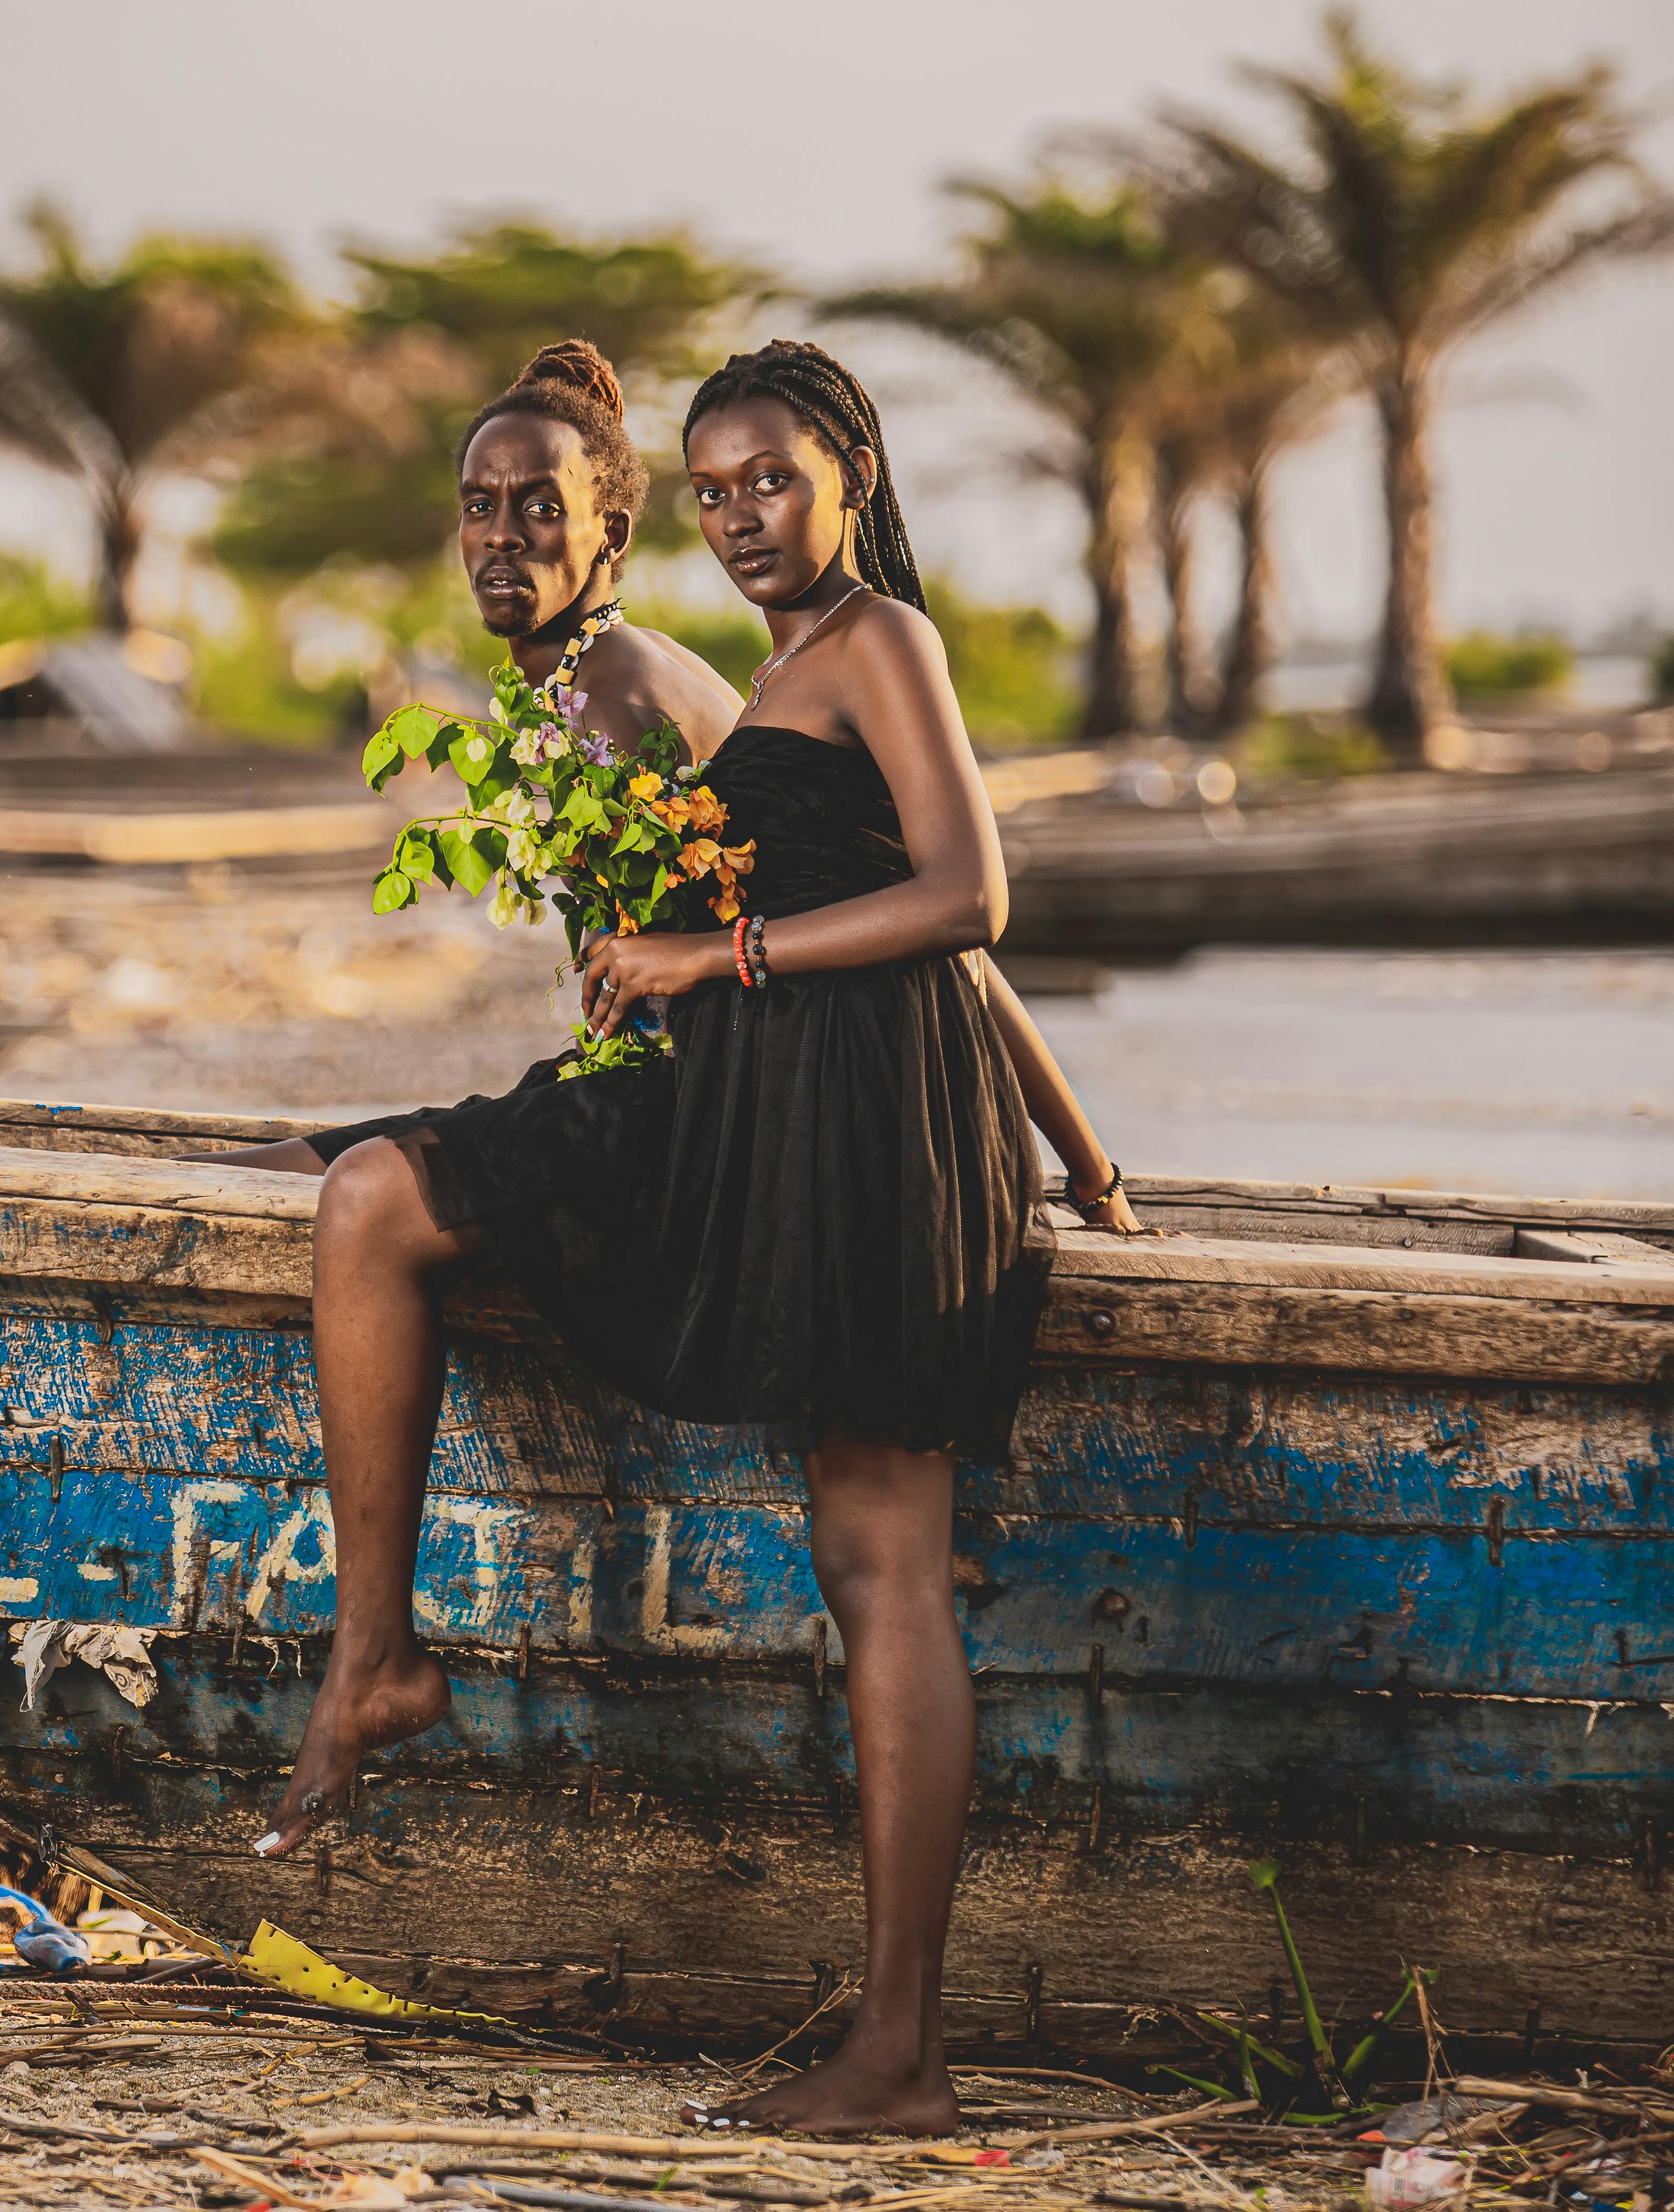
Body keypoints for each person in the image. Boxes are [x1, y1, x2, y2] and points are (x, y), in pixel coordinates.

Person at [234, 336, 1137, 2136]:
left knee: (883, 1551)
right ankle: (886, 2039)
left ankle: (901, 2053)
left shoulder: (873, 638)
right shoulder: (788, 664)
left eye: (770, 480)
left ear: (853, 477)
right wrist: (1089, 1156)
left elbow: (970, 893)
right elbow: (908, 919)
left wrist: (699, 962)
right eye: (719, 489)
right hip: (810, 1106)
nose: (744, 514)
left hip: (865, 1128)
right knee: (859, 1547)